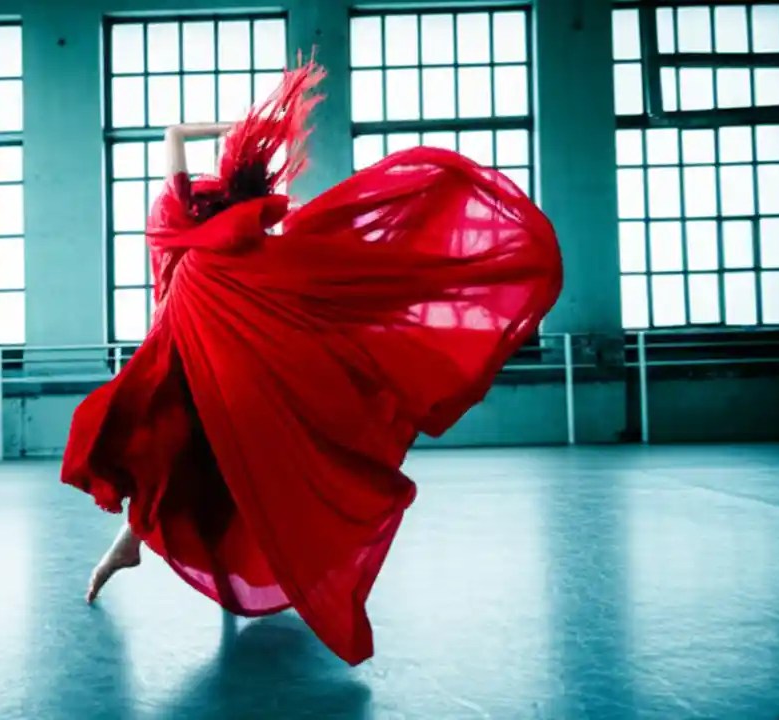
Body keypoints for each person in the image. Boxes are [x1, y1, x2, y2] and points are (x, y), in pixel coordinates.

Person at [61, 60, 562, 665]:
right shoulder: (221, 251)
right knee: (183, 459)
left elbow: (172, 137)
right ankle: (136, 544)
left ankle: (138, 544)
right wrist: (241, 131)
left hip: (203, 368)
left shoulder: (197, 246)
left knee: (183, 459)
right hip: (194, 365)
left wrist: (231, 130)